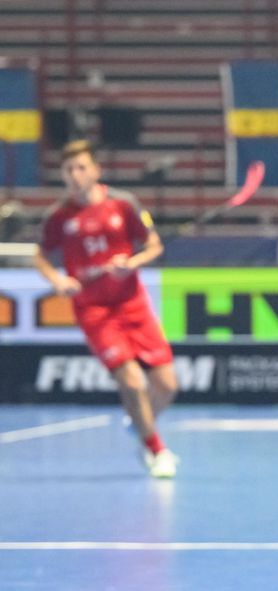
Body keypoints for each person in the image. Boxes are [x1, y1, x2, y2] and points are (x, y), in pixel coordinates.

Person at [33, 140, 178, 479]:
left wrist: (132, 263)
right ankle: (155, 449)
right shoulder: (58, 216)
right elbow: (38, 255)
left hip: (132, 303)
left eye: (82, 167)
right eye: (68, 169)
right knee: (131, 380)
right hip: (94, 311)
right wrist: (57, 279)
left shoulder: (124, 204)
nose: (75, 175)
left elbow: (153, 245)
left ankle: (141, 425)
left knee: (168, 385)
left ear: (97, 171)